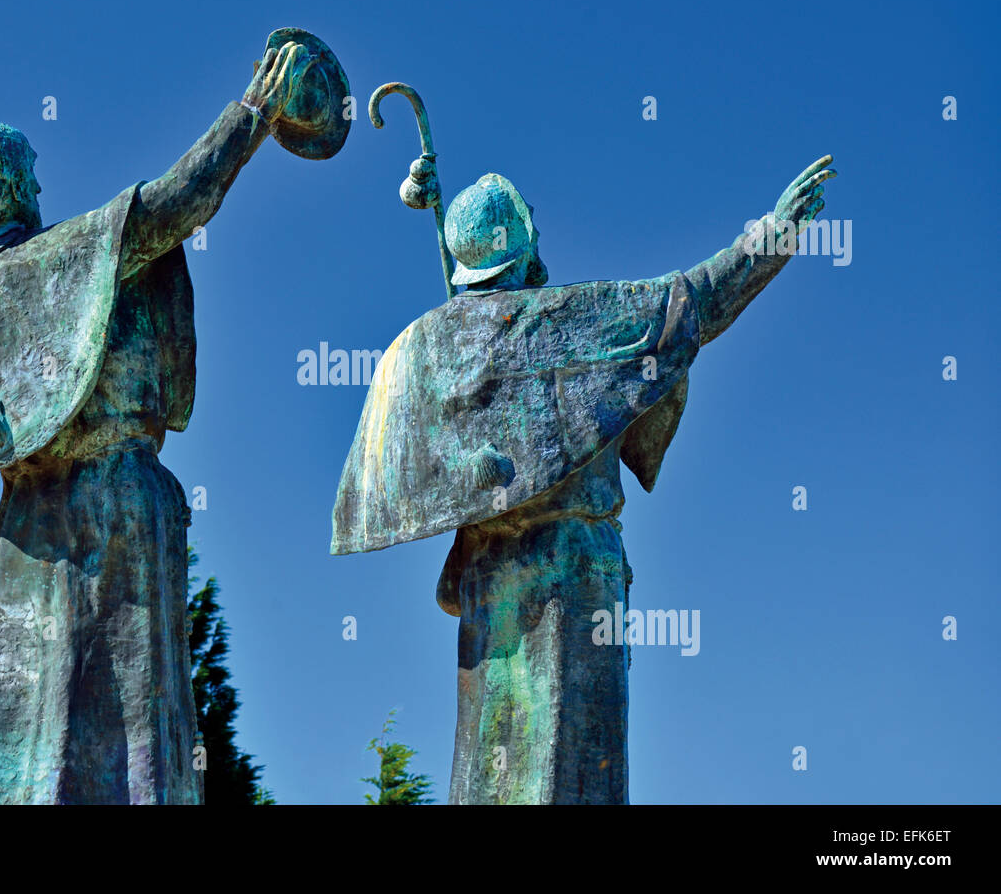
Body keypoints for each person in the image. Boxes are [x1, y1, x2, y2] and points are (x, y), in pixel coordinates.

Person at [0, 32, 349, 803]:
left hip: (32, 532)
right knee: (130, 729)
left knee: (30, 730)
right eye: (33, 168)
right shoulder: (82, 252)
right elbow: (179, 200)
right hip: (117, 508)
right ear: (13, 181)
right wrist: (251, 115)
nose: (43, 178)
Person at [331, 158, 835, 803]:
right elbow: (692, 303)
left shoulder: (426, 345)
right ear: (516, 241)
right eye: (529, 222)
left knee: (497, 770)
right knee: (566, 769)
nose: (539, 229)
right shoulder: (568, 324)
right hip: (571, 571)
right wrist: (771, 235)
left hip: (489, 576)